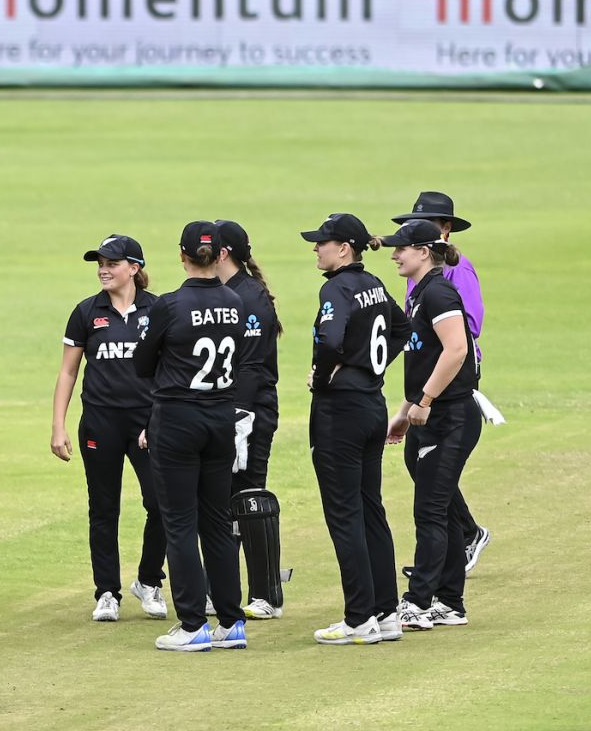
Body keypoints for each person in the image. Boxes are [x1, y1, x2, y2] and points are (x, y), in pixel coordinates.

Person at [132, 221, 247, 652]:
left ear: (182, 256)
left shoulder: (169, 304)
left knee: (180, 522)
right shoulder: (236, 301)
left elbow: (142, 364)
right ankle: (231, 622)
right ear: (219, 255)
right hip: (221, 419)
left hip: (178, 419)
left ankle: (193, 624)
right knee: (217, 521)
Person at [302, 212, 410, 645]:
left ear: (344, 248)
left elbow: (328, 342)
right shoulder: (375, 285)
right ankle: (386, 613)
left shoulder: (338, 286)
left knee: (344, 514)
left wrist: (327, 373)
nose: (315, 248)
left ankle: (358, 617)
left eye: (321, 242)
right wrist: (372, 363)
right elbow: (402, 328)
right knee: (370, 510)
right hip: (372, 404)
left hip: (340, 410)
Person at [51, 234, 167, 623]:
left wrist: (159, 419)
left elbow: (169, 371)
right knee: (103, 508)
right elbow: (69, 372)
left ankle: (149, 582)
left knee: (161, 503)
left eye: (112, 263)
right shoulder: (87, 312)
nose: (103, 269)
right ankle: (106, 592)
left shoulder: (159, 310)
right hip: (100, 421)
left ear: (134, 268)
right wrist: (58, 426)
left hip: (148, 424)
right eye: (99, 262)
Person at [380, 219, 480, 630]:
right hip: (431, 415)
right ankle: (450, 603)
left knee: (431, 512)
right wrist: (406, 410)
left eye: (401, 248)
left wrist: (426, 400)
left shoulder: (438, 292)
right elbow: (424, 358)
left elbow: (457, 349)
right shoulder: (422, 292)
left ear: (424, 251)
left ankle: (419, 602)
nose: (394, 254)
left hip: (451, 417)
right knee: (440, 511)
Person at [391, 192, 491, 576]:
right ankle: (462, 536)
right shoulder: (418, 276)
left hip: (453, 374)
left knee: (434, 470)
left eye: (429, 225)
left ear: (444, 230)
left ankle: (458, 543)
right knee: (422, 466)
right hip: (428, 374)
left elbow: (467, 329)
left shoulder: (456, 271)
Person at [213, 220, 286, 621]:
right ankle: (226, 589)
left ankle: (267, 593)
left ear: (223, 254)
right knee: (226, 500)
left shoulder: (251, 297)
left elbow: (253, 368)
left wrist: (238, 418)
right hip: (226, 412)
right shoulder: (225, 293)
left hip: (250, 413)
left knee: (249, 498)